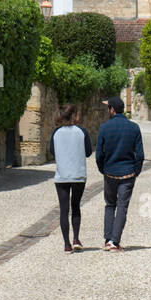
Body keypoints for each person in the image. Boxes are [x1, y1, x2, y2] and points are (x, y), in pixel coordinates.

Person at [95, 95, 144, 251]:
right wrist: (136, 171)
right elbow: (140, 155)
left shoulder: (104, 128)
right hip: (128, 174)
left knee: (110, 205)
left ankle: (108, 238)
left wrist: (103, 168)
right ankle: (115, 242)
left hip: (110, 173)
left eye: (108, 107)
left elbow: (98, 154)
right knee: (122, 207)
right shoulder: (134, 128)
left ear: (112, 109)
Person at [48, 104, 92, 253]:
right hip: (78, 175)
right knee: (76, 207)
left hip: (62, 176)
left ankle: (66, 244)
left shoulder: (56, 133)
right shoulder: (82, 132)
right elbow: (88, 152)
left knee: (63, 210)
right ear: (74, 115)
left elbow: (52, 151)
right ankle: (76, 239)